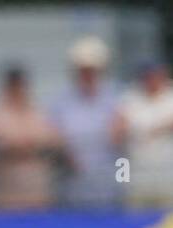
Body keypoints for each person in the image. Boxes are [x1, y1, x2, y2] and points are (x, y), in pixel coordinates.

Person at [51, 36, 122, 209]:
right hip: (72, 185)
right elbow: (54, 136)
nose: (88, 75)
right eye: (83, 70)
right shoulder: (61, 102)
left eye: (92, 70)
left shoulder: (117, 98)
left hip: (109, 184)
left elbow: (120, 134)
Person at [0, 65, 63, 210]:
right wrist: (34, 146)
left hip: (39, 196)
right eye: (13, 85)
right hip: (7, 199)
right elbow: (5, 147)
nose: (17, 90)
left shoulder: (39, 112)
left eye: (20, 85)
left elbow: (55, 144)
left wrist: (25, 146)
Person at [116, 60, 173, 209]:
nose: (152, 80)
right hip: (137, 175)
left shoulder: (171, 96)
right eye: (148, 76)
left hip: (168, 175)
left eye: (155, 75)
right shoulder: (130, 98)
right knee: (136, 217)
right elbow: (118, 131)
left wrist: (156, 129)